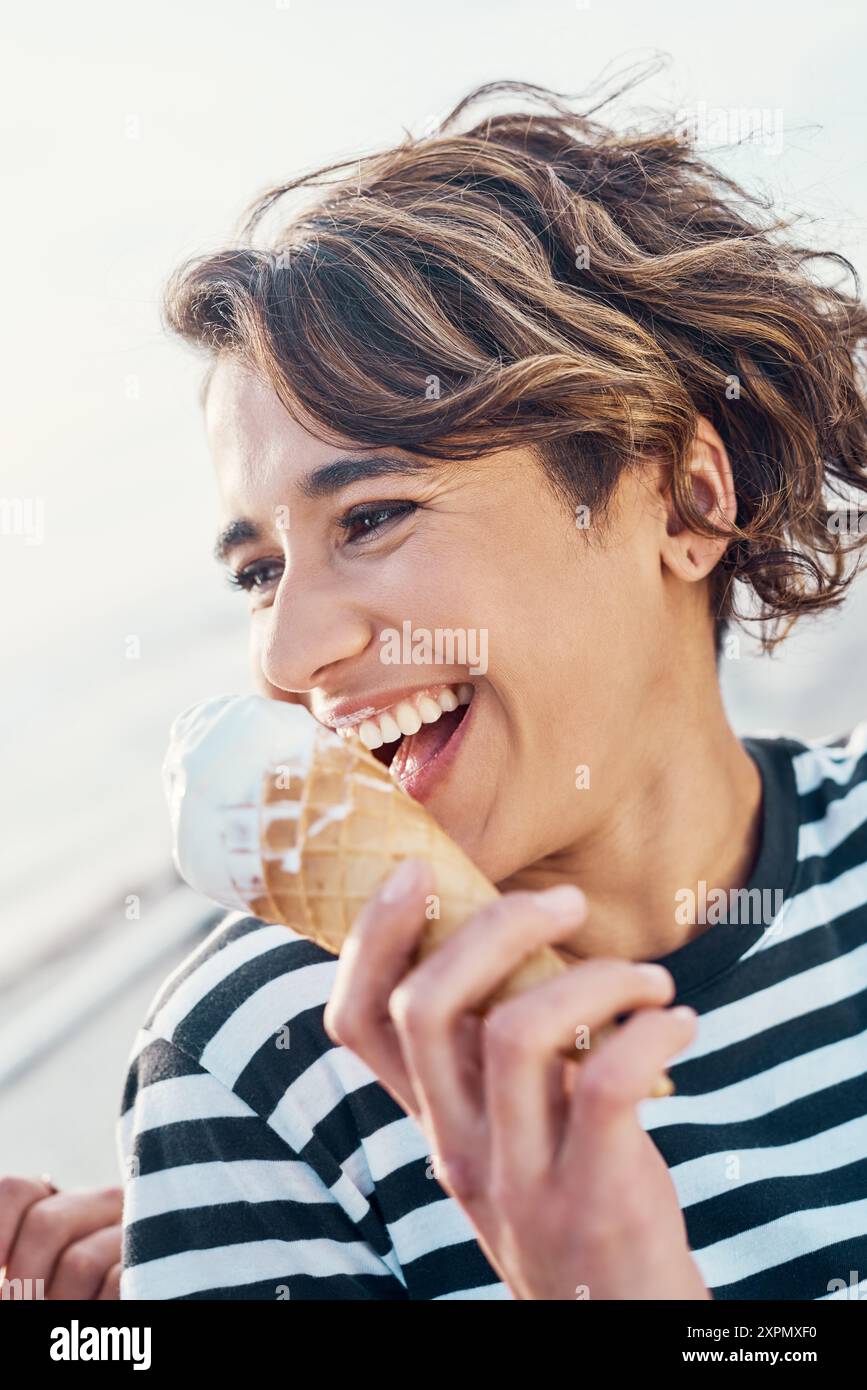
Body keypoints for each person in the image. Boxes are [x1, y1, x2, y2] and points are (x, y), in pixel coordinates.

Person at [7, 73, 867, 1300]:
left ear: (686, 498)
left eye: (373, 514)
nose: (287, 656)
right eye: (260, 570)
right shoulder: (257, 1079)